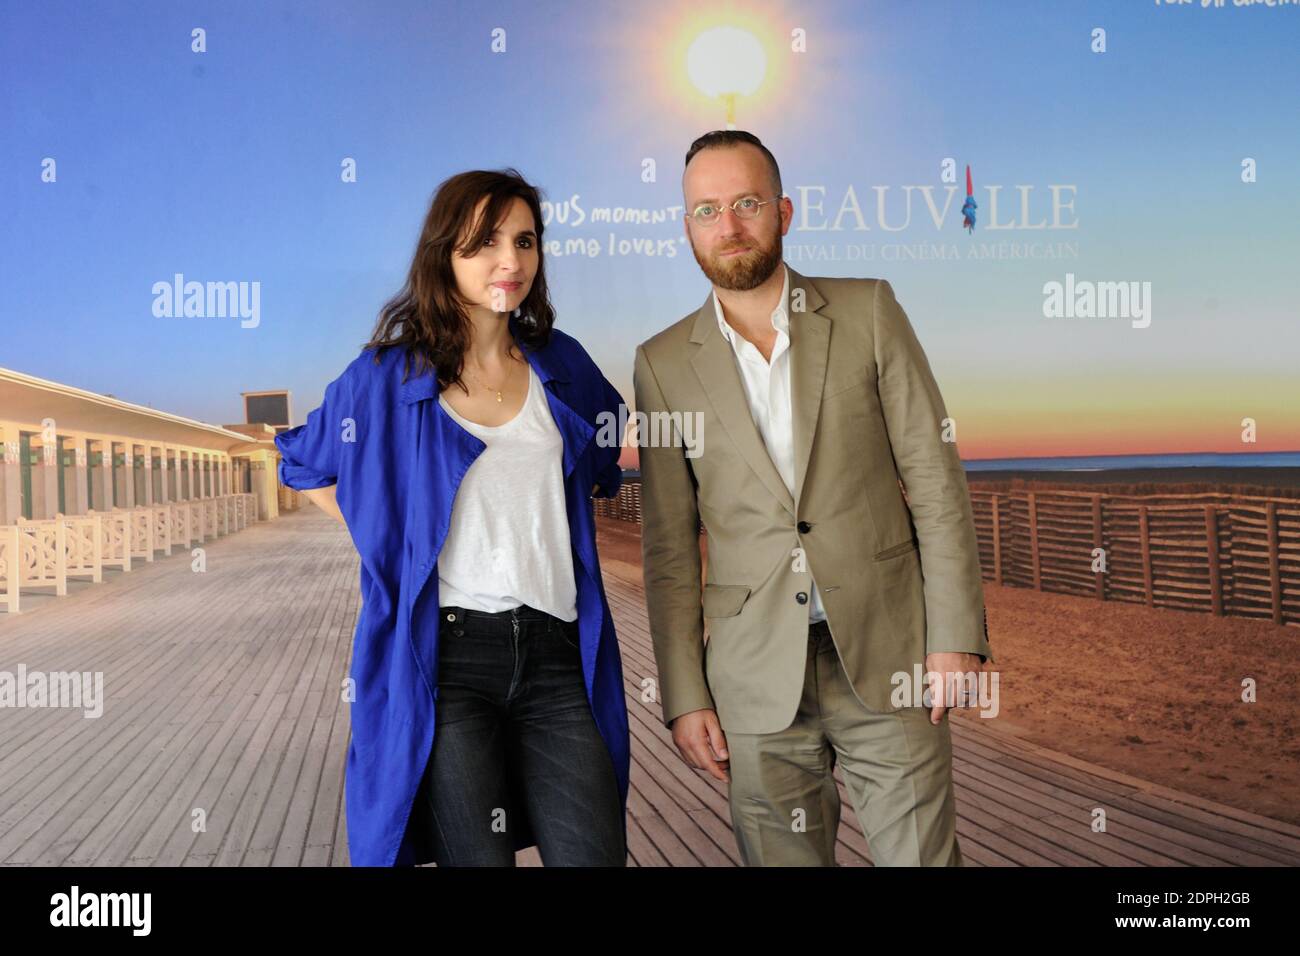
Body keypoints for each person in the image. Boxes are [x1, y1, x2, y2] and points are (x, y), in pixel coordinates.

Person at [633, 130, 994, 866]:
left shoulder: (867, 312)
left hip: (891, 655)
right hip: (752, 680)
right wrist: (685, 693)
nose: (728, 226)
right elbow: (669, 546)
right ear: (686, 228)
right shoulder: (662, 363)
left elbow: (934, 478)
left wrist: (953, 636)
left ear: (785, 211)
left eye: (746, 203)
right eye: (707, 210)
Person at [275, 168, 630, 866]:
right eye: (485, 243)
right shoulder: (386, 376)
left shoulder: (562, 364)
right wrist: (383, 536)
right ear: (446, 254)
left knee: (594, 851)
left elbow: (604, 447)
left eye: (525, 241)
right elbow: (302, 461)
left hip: (558, 656)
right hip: (450, 662)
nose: (511, 261)